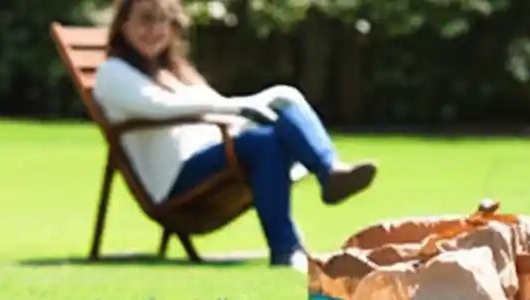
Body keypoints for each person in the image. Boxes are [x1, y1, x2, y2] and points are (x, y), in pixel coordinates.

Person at [91, 0, 377, 270]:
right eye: (145, 19)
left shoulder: (174, 72)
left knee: (283, 103)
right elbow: (159, 107)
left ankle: (329, 174)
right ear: (123, 25)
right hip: (176, 178)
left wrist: (248, 110)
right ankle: (291, 239)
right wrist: (242, 105)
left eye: (161, 20)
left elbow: (215, 108)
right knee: (266, 141)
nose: (153, 30)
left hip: (211, 150)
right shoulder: (113, 73)